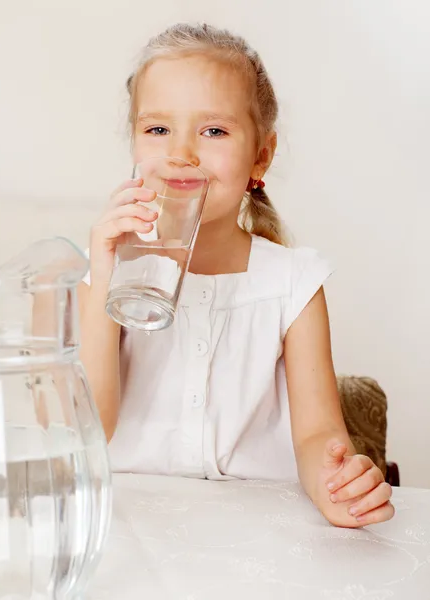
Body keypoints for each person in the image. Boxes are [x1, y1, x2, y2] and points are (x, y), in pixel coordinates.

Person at [78, 23, 394, 528]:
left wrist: (338, 480)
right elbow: (89, 426)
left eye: (214, 131)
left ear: (260, 157)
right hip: (132, 524)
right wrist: (102, 270)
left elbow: (317, 435)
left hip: (259, 528)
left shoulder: (293, 282)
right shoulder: (108, 271)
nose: (181, 153)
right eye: (157, 129)